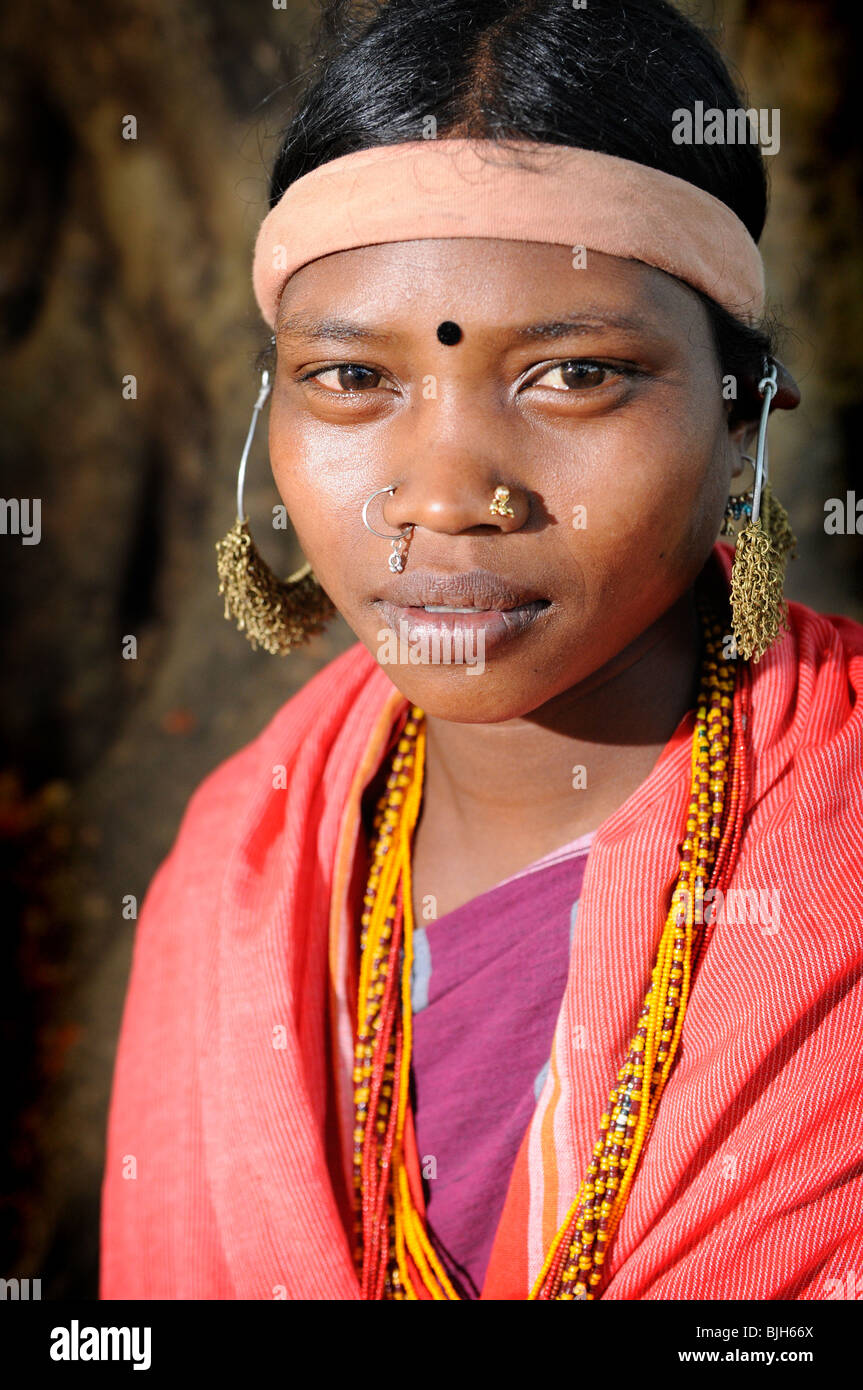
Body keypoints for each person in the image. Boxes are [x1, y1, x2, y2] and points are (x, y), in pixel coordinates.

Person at [100, 0, 863, 1300]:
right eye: (352, 378)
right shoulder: (238, 871)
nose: (446, 493)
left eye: (573, 375)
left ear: (744, 426)